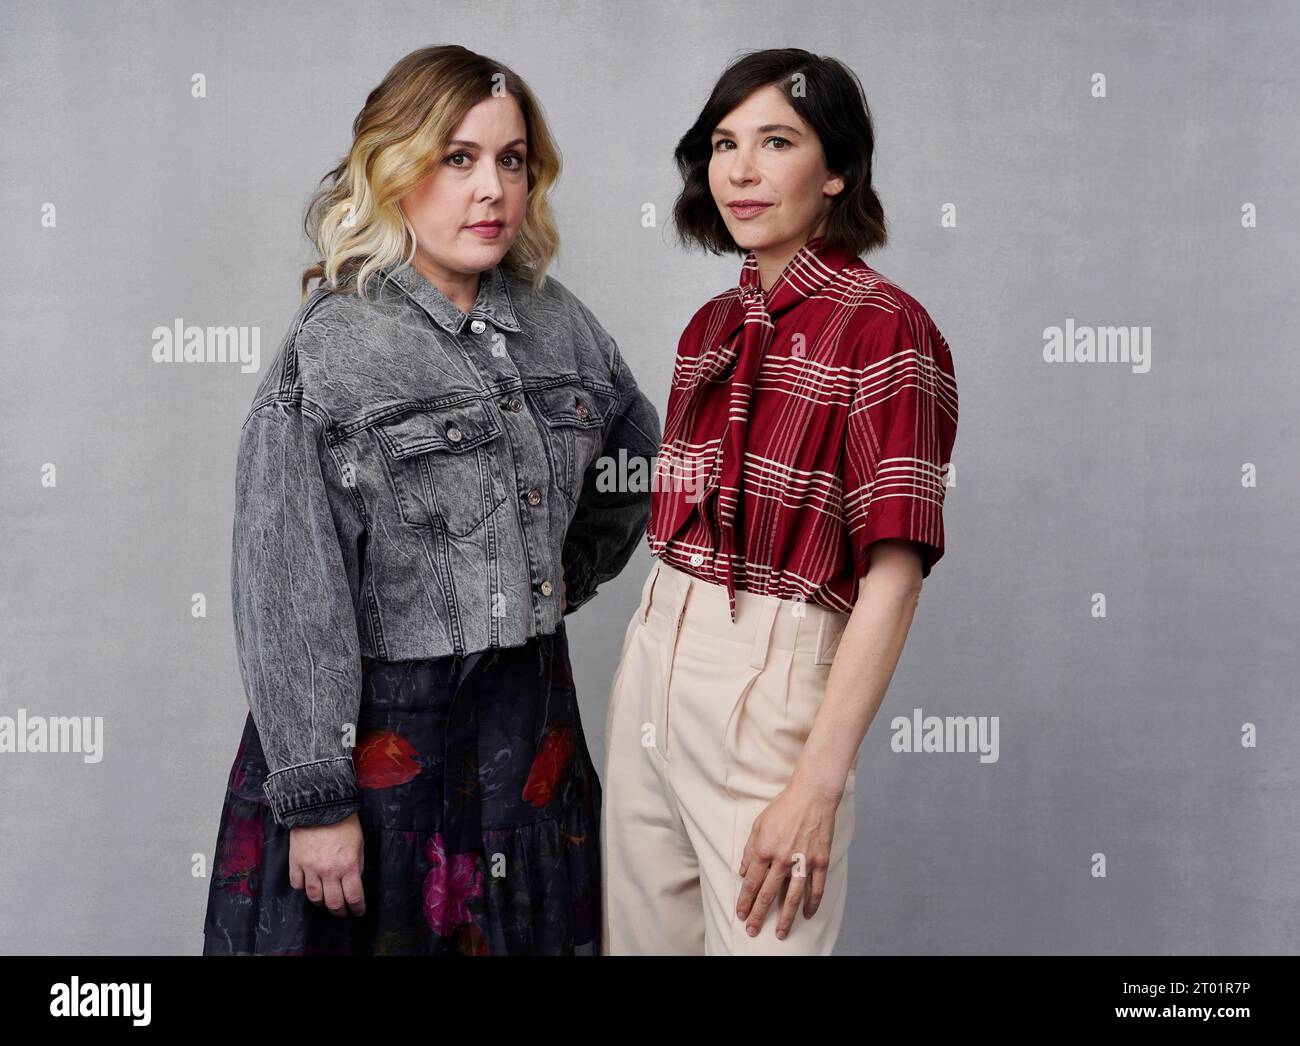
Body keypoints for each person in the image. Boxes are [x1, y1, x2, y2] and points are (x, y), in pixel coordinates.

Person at [202, 44, 661, 956]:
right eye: (457, 159)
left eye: (511, 159)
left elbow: (637, 457)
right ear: (395, 170)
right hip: (382, 751)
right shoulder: (333, 351)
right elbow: (288, 596)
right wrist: (318, 799)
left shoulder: (558, 319)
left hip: (530, 739)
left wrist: (554, 576)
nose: (489, 188)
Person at [600, 48, 959, 955]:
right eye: (724, 144)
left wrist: (816, 784)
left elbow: (895, 574)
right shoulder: (710, 328)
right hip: (655, 652)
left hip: (775, 677)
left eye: (776, 141)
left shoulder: (887, 328)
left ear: (835, 169)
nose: (742, 171)